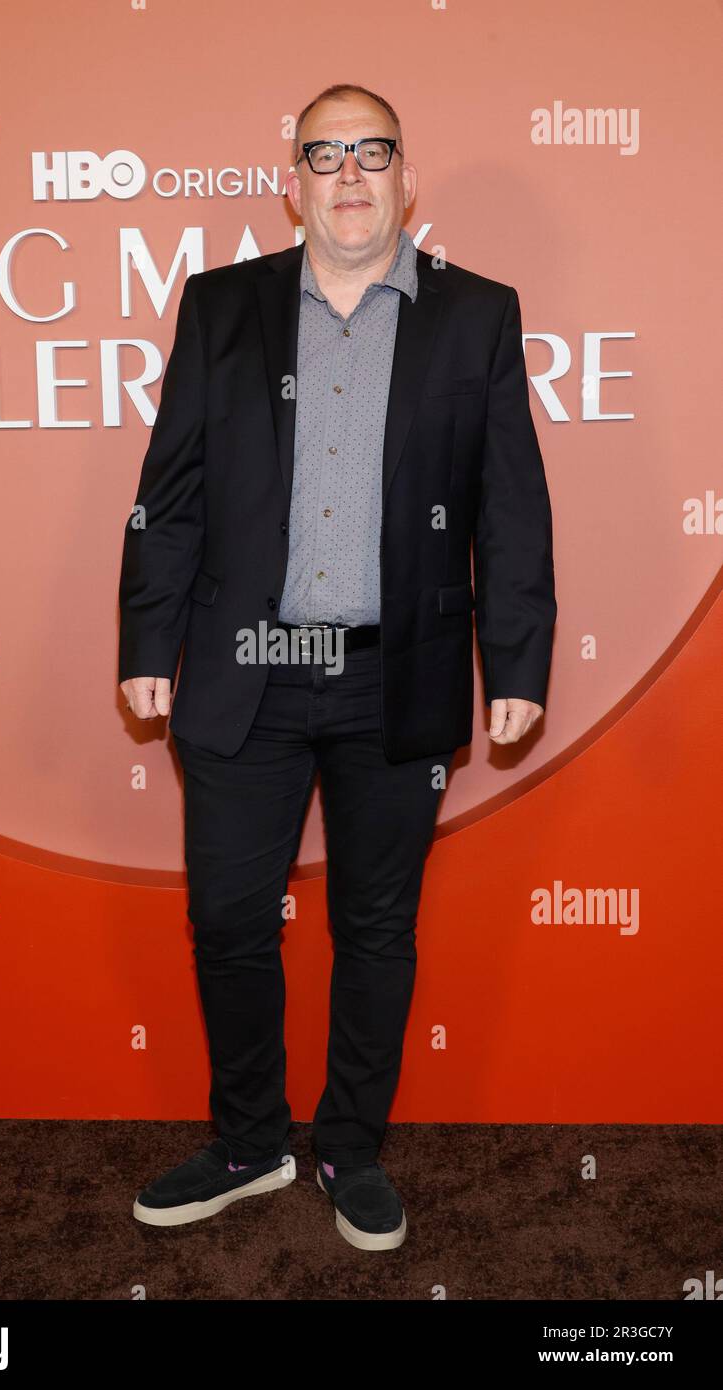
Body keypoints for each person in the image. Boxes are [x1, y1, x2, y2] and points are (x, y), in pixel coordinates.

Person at [117, 83, 556, 1251]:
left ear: (405, 179)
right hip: (241, 669)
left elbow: (509, 506)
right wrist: (145, 641)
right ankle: (251, 1140)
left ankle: (348, 1146)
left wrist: (514, 659)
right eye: (325, 154)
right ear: (292, 182)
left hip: (393, 679)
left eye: (373, 152)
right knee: (226, 922)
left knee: (375, 926)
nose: (349, 173)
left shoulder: (477, 317)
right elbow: (170, 493)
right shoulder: (221, 308)